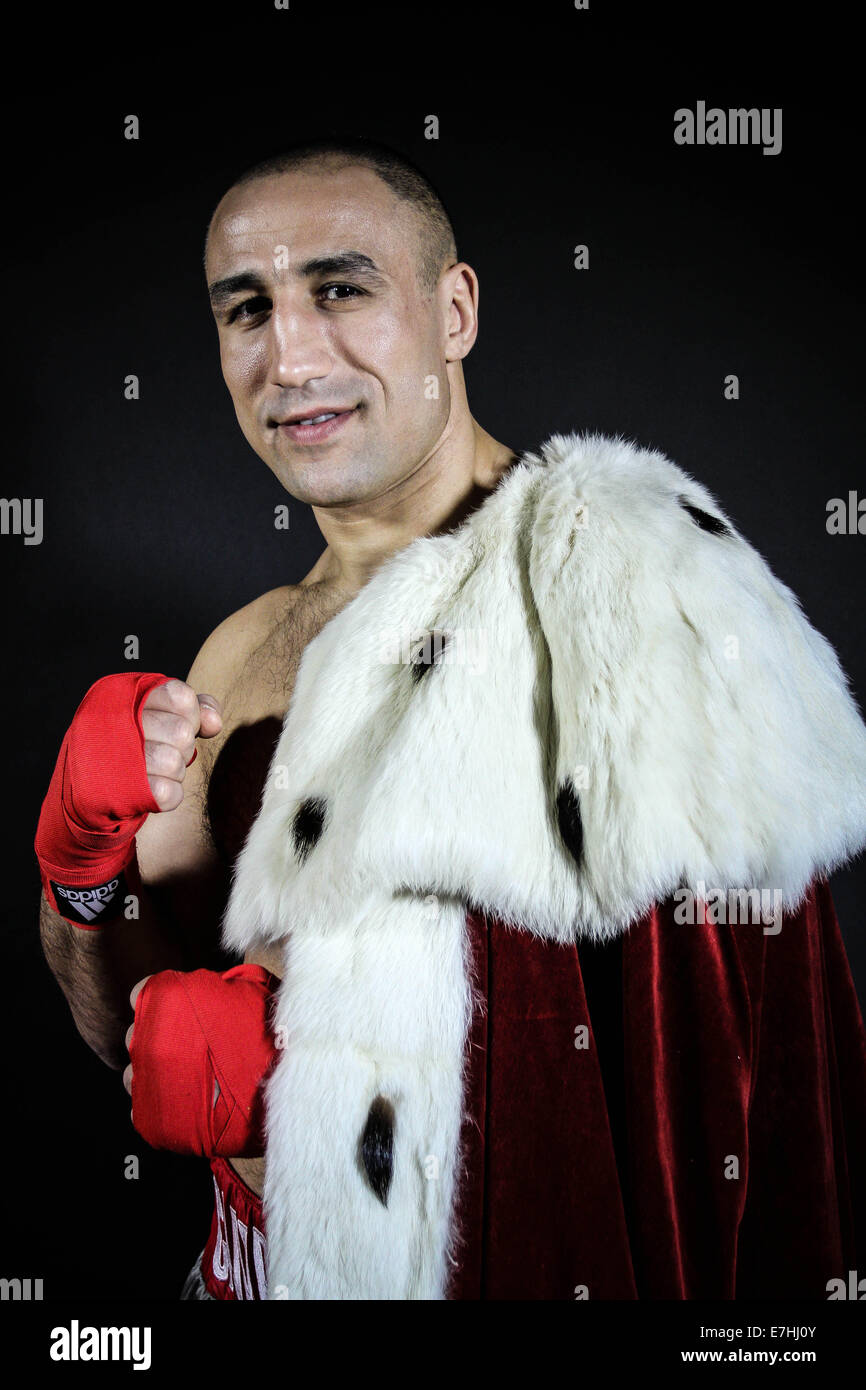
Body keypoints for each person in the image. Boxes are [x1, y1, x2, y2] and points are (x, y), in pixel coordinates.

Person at [36, 137, 866, 1302]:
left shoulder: (623, 587)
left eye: (338, 290)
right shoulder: (242, 649)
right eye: (246, 310)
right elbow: (134, 1023)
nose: (289, 356)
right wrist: (80, 869)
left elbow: (717, 1086)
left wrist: (292, 1085)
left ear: (454, 309)